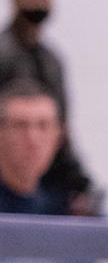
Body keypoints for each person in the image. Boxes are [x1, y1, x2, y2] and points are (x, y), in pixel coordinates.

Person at [0, 0, 97, 214]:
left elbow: (63, 130)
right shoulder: (4, 53)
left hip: (46, 183)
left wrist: (80, 182)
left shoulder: (52, 60)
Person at [0, 82, 74, 217]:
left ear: (59, 137)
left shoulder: (69, 211)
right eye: (19, 126)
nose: (32, 139)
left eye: (43, 126)